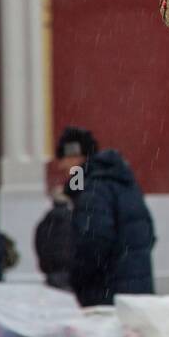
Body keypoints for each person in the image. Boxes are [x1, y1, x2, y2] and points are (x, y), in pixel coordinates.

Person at [55, 126, 156, 306]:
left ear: (76, 157)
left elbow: (94, 241)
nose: (61, 166)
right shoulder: (123, 183)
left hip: (107, 294)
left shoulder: (93, 190)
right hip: (135, 293)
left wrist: (77, 279)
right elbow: (149, 234)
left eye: (64, 159)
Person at [34, 187, 74, 291]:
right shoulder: (75, 221)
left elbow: (39, 243)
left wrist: (44, 262)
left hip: (52, 268)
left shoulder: (46, 222)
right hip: (70, 268)